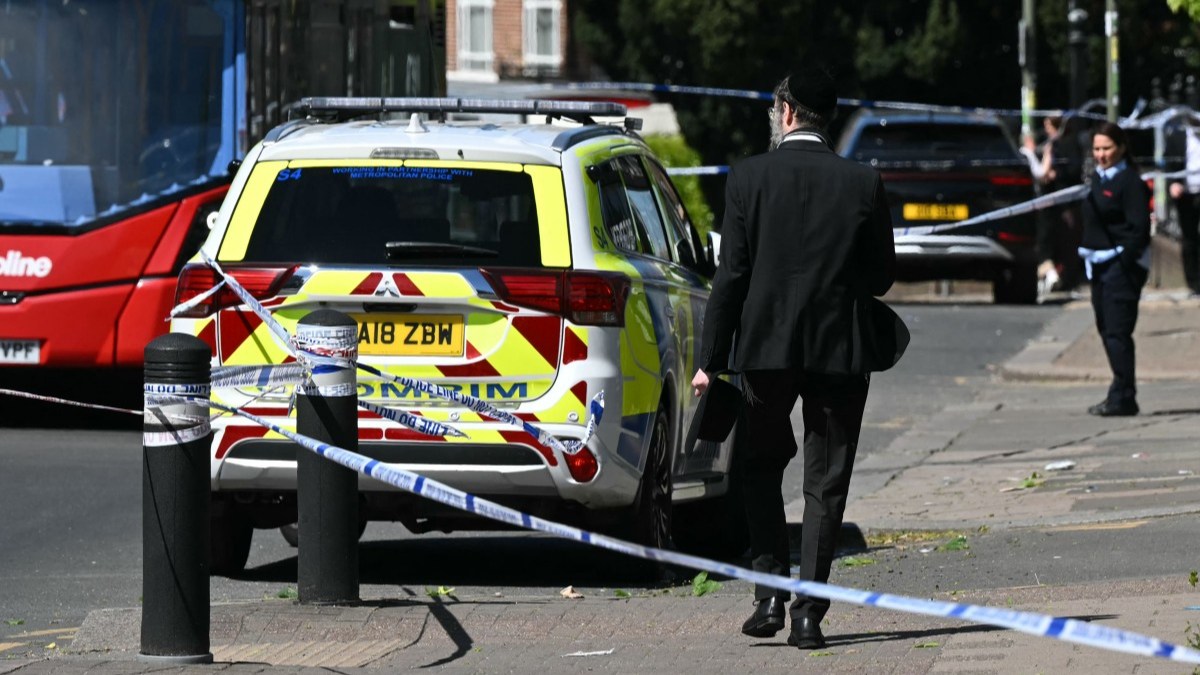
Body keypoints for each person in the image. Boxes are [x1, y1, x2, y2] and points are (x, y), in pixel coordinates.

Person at [691, 68, 895, 650]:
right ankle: (809, 615)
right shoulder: (863, 181)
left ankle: (767, 594)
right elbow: (881, 276)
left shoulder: (749, 176)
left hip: (765, 350)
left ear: (785, 113)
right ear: (823, 118)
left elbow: (731, 277)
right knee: (826, 482)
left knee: (759, 466)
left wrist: (712, 357)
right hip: (839, 349)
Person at [1079, 122, 1152, 417]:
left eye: (1106, 148)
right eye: (1096, 149)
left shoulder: (1130, 182)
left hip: (1120, 266)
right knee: (1105, 328)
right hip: (1097, 264)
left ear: (1121, 148)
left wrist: (1125, 260)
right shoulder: (1096, 179)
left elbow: (1140, 230)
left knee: (1118, 332)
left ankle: (1124, 395)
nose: (1101, 155)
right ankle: (1120, 390)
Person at [1169, 117, 1200, 296]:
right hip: (1186, 195)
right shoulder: (1178, 136)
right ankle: (1194, 283)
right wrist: (1173, 183)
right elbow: (1169, 165)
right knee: (1189, 238)